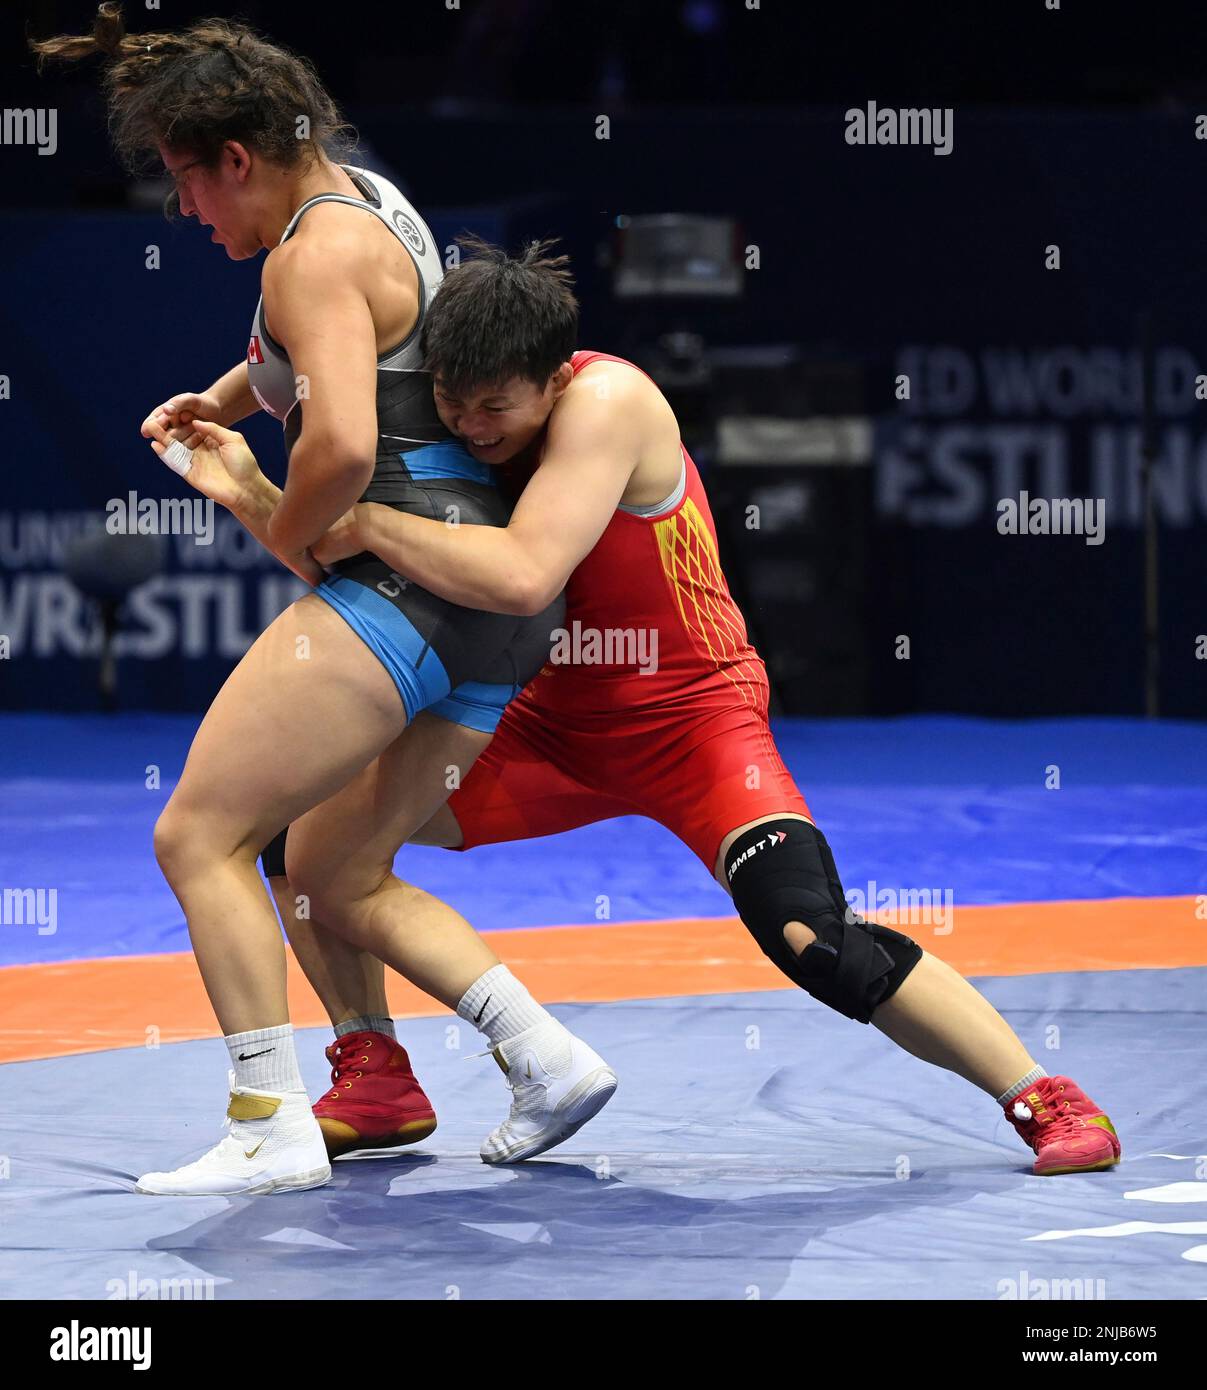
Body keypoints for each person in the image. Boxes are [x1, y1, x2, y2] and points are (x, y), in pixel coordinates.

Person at [231, 238, 1121, 1179]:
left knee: (811, 938)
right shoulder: (451, 409)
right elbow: (295, 418)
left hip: (694, 723)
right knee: (302, 840)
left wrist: (364, 516)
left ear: (552, 377)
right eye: (453, 400)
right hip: (544, 728)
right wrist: (243, 468)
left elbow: (524, 573)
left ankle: (1041, 1096)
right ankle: (374, 1073)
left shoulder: (607, 402)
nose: (472, 425)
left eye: (497, 406)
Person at [34, 5, 613, 1196]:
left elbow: (343, 443)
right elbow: (325, 357)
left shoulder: (305, 255)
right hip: (489, 609)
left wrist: (276, 521)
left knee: (198, 835)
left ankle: (267, 1119)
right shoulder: (365, 201)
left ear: (236, 158)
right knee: (322, 865)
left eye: (189, 187)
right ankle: (525, 1057)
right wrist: (221, 398)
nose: (187, 216)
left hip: (404, 583)